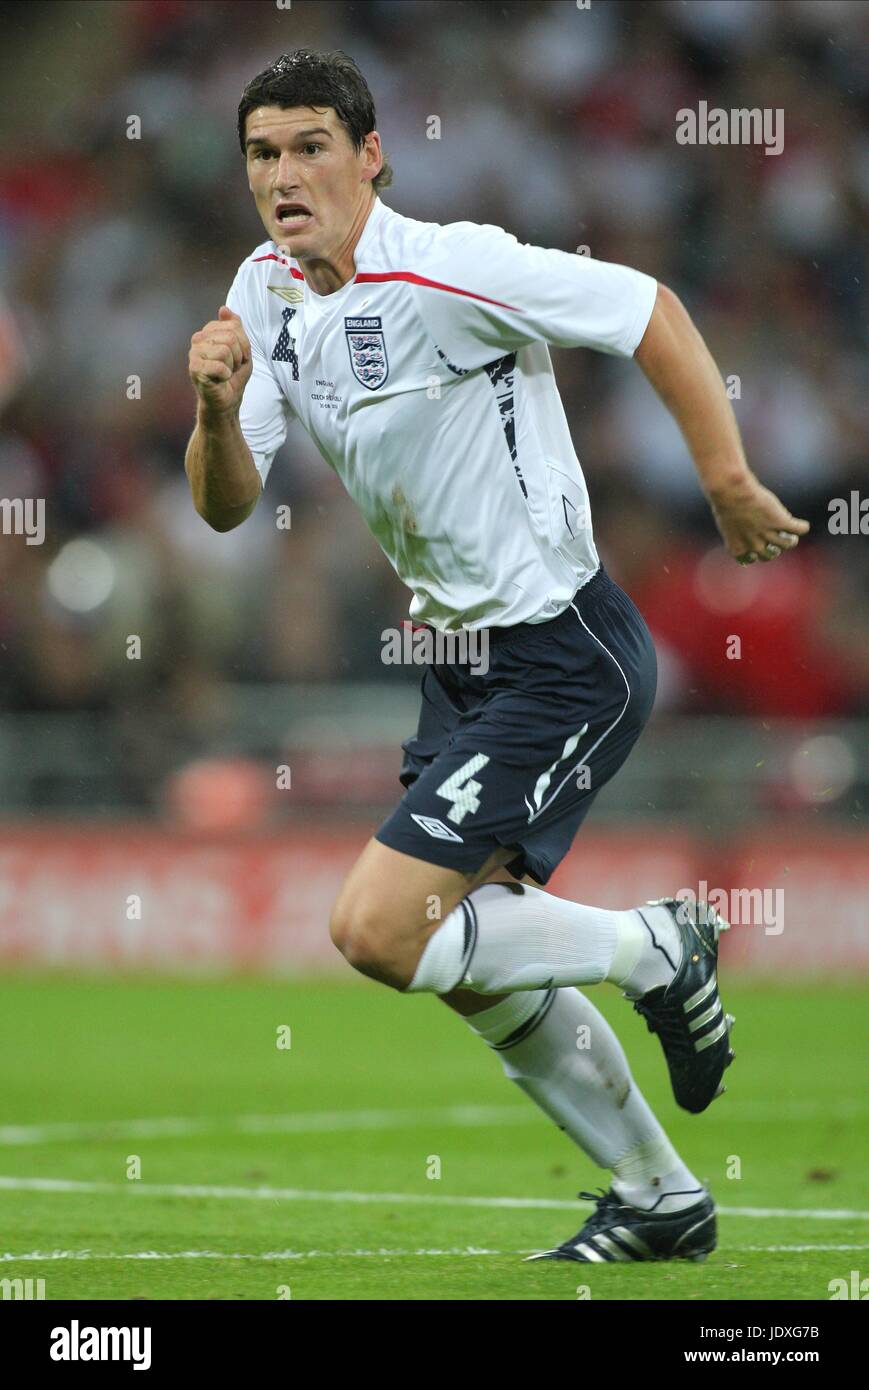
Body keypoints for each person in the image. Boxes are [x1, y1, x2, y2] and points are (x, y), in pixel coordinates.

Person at [185, 49, 809, 1265]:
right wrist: (213, 407)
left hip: (562, 650)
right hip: (459, 658)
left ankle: (651, 945)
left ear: (370, 157)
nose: (283, 174)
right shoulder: (261, 293)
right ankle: (660, 1200)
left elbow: (650, 313)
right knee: (470, 968)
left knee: (378, 932)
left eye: (311, 145)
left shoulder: (450, 264)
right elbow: (222, 505)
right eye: (262, 153)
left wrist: (725, 479)